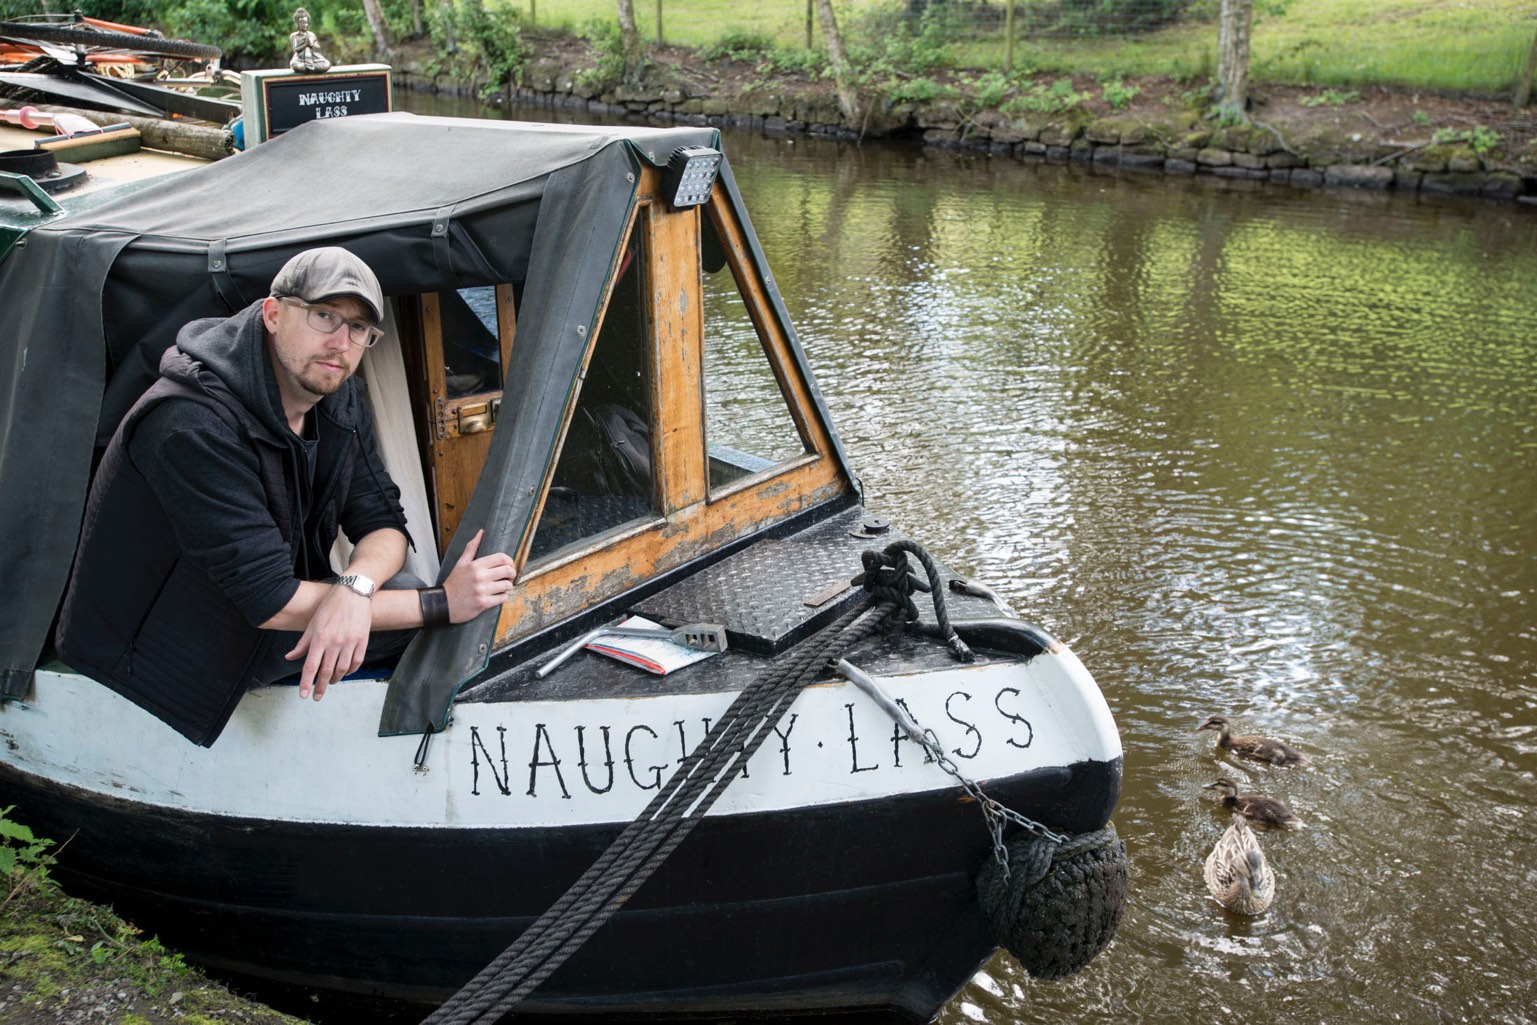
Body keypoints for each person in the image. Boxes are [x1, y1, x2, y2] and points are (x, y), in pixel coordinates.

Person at [56, 247, 516, 746]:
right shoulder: (190, 425)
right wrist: (443, 604)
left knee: (399, 591)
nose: (341, 342)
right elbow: (271, 601)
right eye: (325, 316)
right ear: (273, 314)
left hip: (256, 600)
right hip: (162, 642)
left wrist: (354, 590)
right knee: (421, 617)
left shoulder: (336, 395)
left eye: (359, 328)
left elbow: (383, 522)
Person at [289, 7, 330, 73]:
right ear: (297, 23)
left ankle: (309, 68)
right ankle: (309, 68)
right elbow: (295, 50)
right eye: (302, 23)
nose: (305, 25)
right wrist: (305, 44)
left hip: (313, 57)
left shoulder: (312, 34)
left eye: (306, 23)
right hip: (300, 59)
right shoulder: (294, 36)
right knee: (294, 65)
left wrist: (312, 45)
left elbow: (318, 47)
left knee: (327, 64)